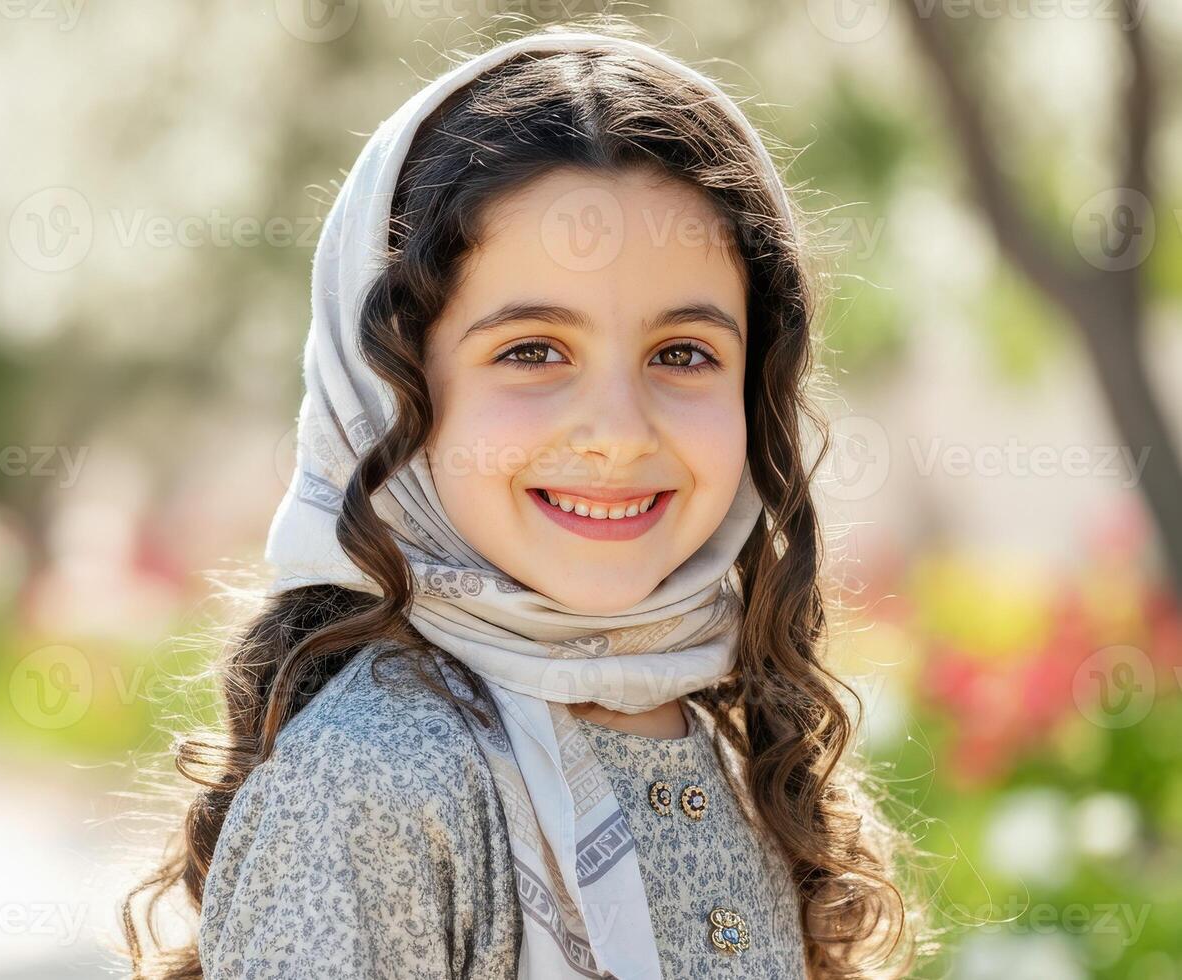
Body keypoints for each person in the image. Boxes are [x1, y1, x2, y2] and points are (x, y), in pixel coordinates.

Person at [122, 23, 916, 980]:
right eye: (532, 351)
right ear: (391, 390)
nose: (617, 432)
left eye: (681, 354)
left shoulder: (737, 750)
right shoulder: (378, 782)